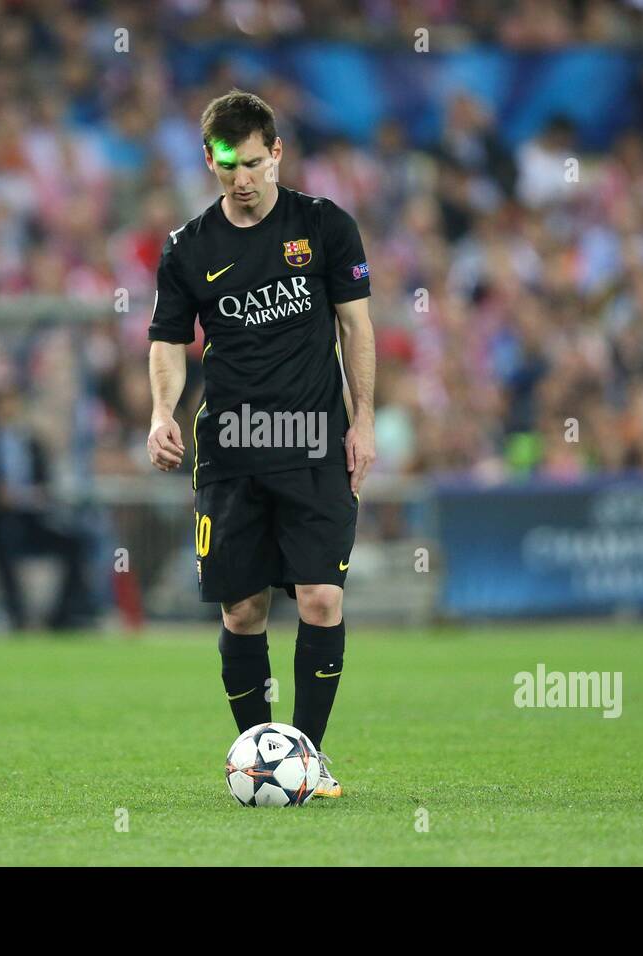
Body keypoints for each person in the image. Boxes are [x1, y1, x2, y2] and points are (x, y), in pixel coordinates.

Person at [145, 90, 377, 799]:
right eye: (226, 166)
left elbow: (355, 328)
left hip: (313, 443)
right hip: (231, 449)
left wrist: (363, 420)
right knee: (243, 611)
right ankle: (253, 756)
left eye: (252, 163)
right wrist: (162, 412)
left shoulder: (326, 226)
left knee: (319, 599)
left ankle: (309, 759)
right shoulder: (188, 249)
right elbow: (166, 341)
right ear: (208, 161)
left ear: (276, 154)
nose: (241, 180)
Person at [0, 386, 94, 630]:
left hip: (30, 518)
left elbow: (45, 485)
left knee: (75, 543)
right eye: (2, 404)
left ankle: (61, 616)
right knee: (4, 542)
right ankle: (16, 615)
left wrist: (35, 495)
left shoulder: (32, 444)